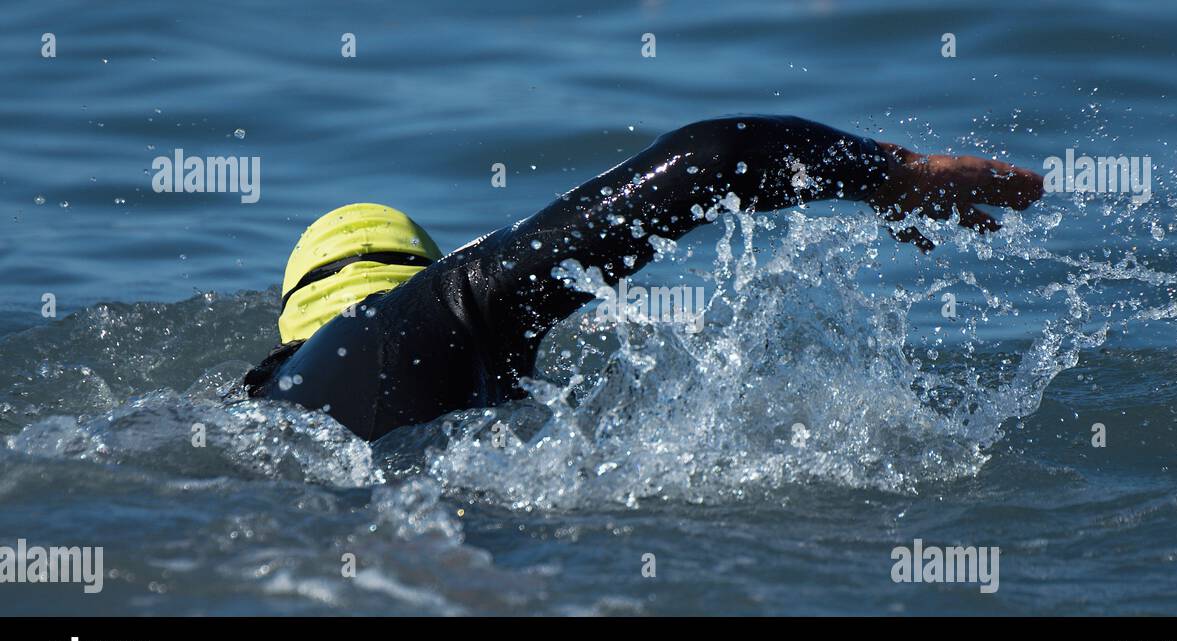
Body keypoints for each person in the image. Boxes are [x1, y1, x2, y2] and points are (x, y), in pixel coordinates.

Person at [244, 115, 1043, 441]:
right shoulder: (456, 305)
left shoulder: (255, 408)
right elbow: (709, 161)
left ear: (293, 327)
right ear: (423, 272)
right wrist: (892, 174)